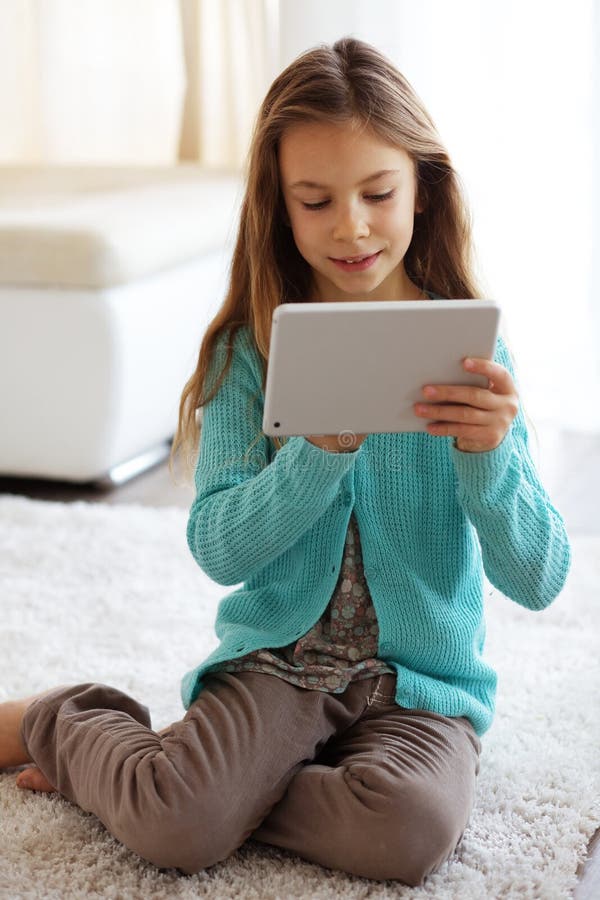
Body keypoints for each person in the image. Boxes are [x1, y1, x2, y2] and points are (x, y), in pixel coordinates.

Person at [0, 37, 571, 886]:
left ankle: (188, 781)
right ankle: (70, 723)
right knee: (182, 830)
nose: (351, 226)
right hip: (279, 664)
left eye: (379, 192)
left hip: (419, 686)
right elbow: (218, 548)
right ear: (279, 206)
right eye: (315, 200)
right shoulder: (251, 350)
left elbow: (540, 577)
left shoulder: (468, 351)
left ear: (423, 186)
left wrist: (489, 461)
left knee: (407, 834)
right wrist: (314, 452)